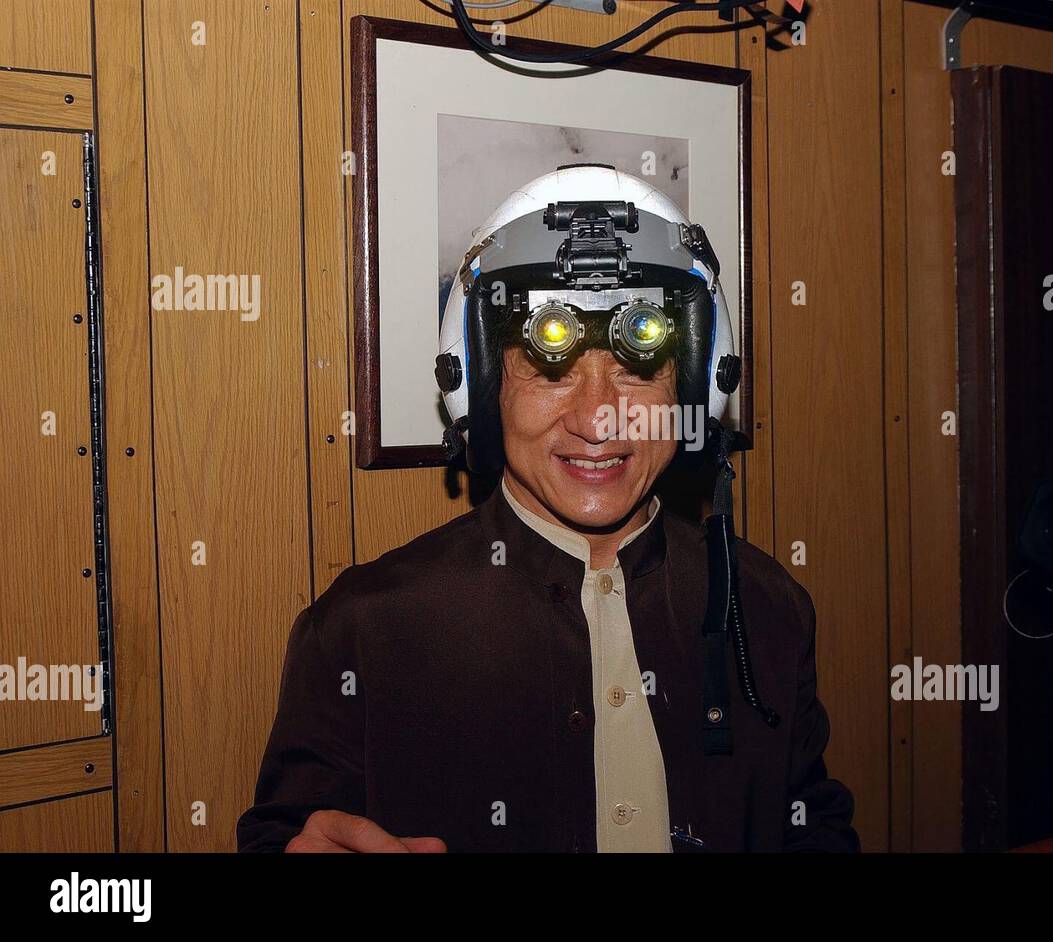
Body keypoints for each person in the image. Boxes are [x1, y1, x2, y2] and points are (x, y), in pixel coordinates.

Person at [236, 166, 858, 853]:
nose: (598, 418)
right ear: (480, 386)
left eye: (637, 366)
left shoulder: (769, 609)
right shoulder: (362, 628)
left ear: (695, 388)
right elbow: (287, 835)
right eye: (551, 368)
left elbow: (814, 824)